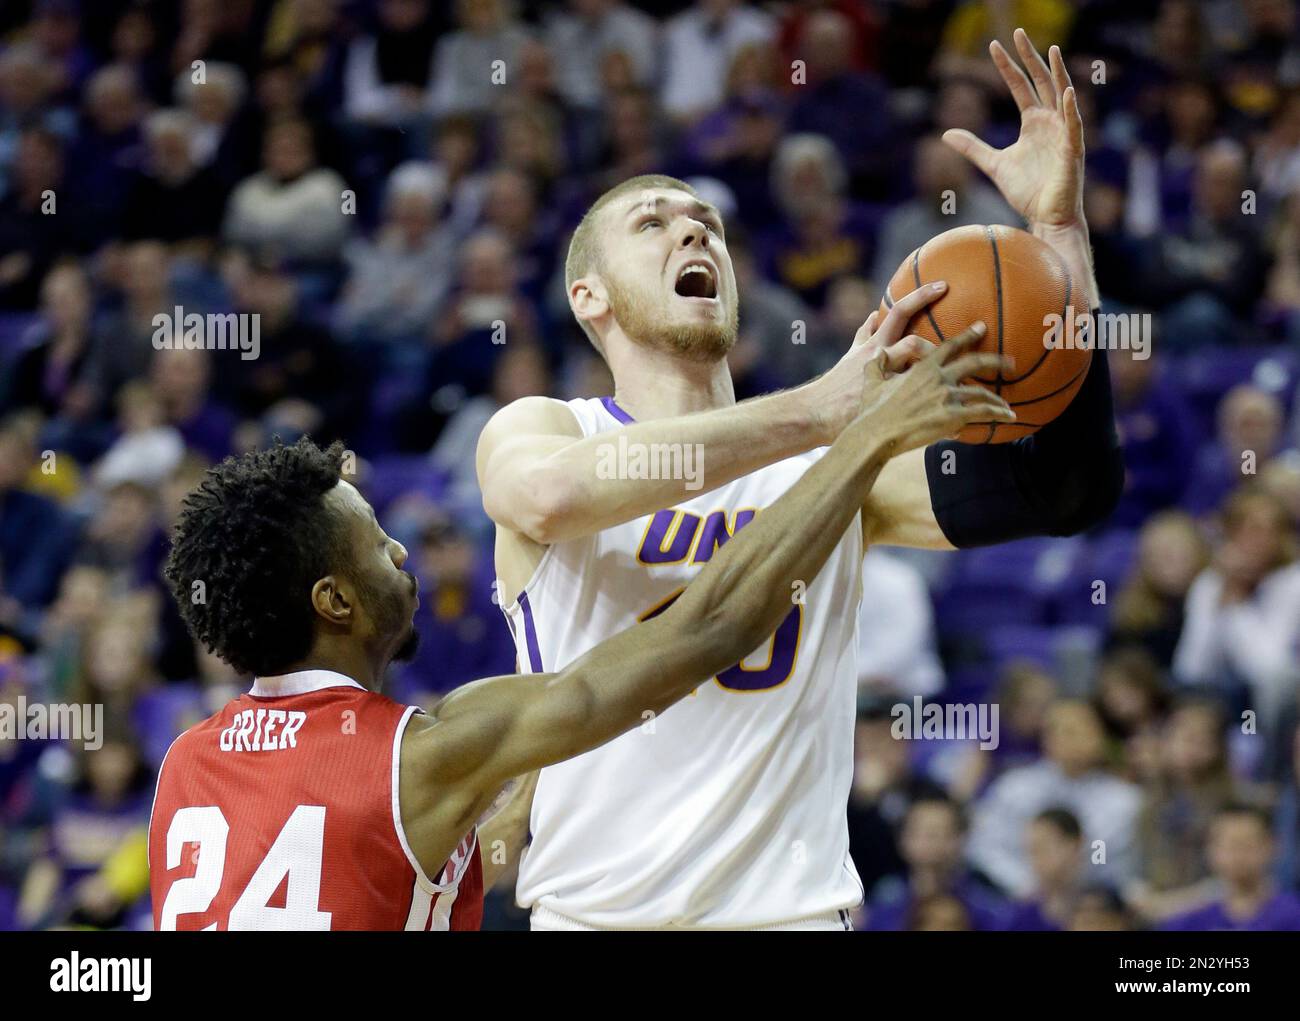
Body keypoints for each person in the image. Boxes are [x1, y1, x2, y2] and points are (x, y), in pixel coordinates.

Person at [476, 29, 1122, 930]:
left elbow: (1065, 488)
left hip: (793, 915)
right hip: (597, 915)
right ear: (590, 298)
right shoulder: (547, 427)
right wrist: (825, 413)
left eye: (705, 222)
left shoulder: (840, 464)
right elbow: (549, 498)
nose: (693, 228)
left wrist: (1058, 251)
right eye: (652, 221)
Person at [148, 334, 1013, 931]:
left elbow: (392, 863)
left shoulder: (186, 763)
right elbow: (709, 628)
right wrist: (863, 439)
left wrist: (536, 787)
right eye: (378, 542)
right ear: (334, 602)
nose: (402, 549)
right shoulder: (423, 749)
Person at [1160, 805, 1300, 931]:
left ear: (1271, 846)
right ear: (1210, 850)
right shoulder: (1190, 918)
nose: (1237, 856)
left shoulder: (1292, 914)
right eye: (1228, 846)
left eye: (1246, 845)